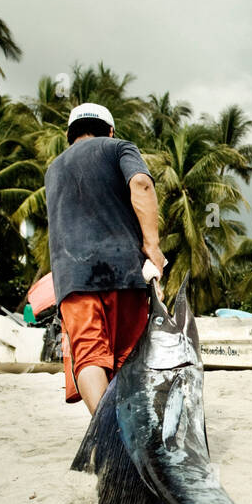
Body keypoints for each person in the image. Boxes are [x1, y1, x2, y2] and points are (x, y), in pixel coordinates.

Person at [45, 103, 167, 414]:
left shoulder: (53, 169)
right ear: (110, 131)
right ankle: (128, 432)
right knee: (129, 357)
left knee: (88, 354)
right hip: (123, 269)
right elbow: (141, 183)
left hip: (72, 277)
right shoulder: (118, 148)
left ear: (69, 135)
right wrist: (152, 246)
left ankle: (107, 433)